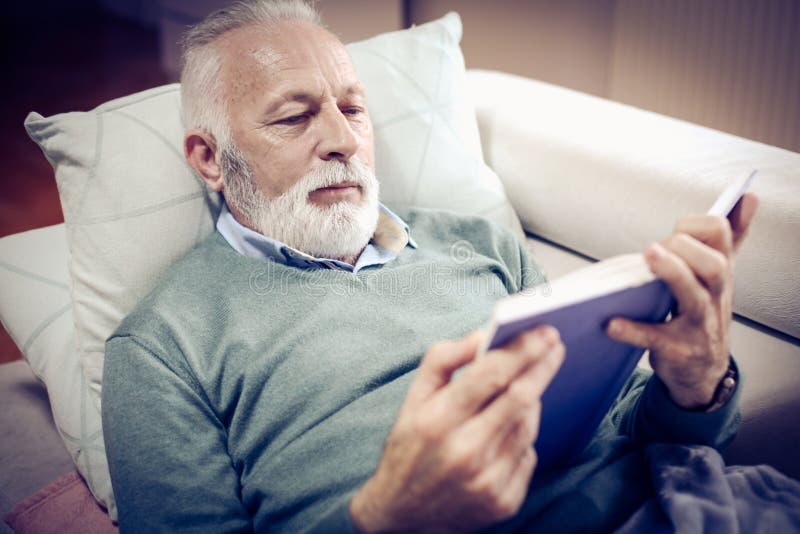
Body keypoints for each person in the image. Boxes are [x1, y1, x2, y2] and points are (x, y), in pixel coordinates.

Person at [101, 1, 762, 532]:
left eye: (352, 109)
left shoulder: (482, 243)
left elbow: (636, 434)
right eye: (294, 116)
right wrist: (387, 517)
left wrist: (695, 388)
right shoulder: (162, 346)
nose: (341, 141)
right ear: (210, 159)